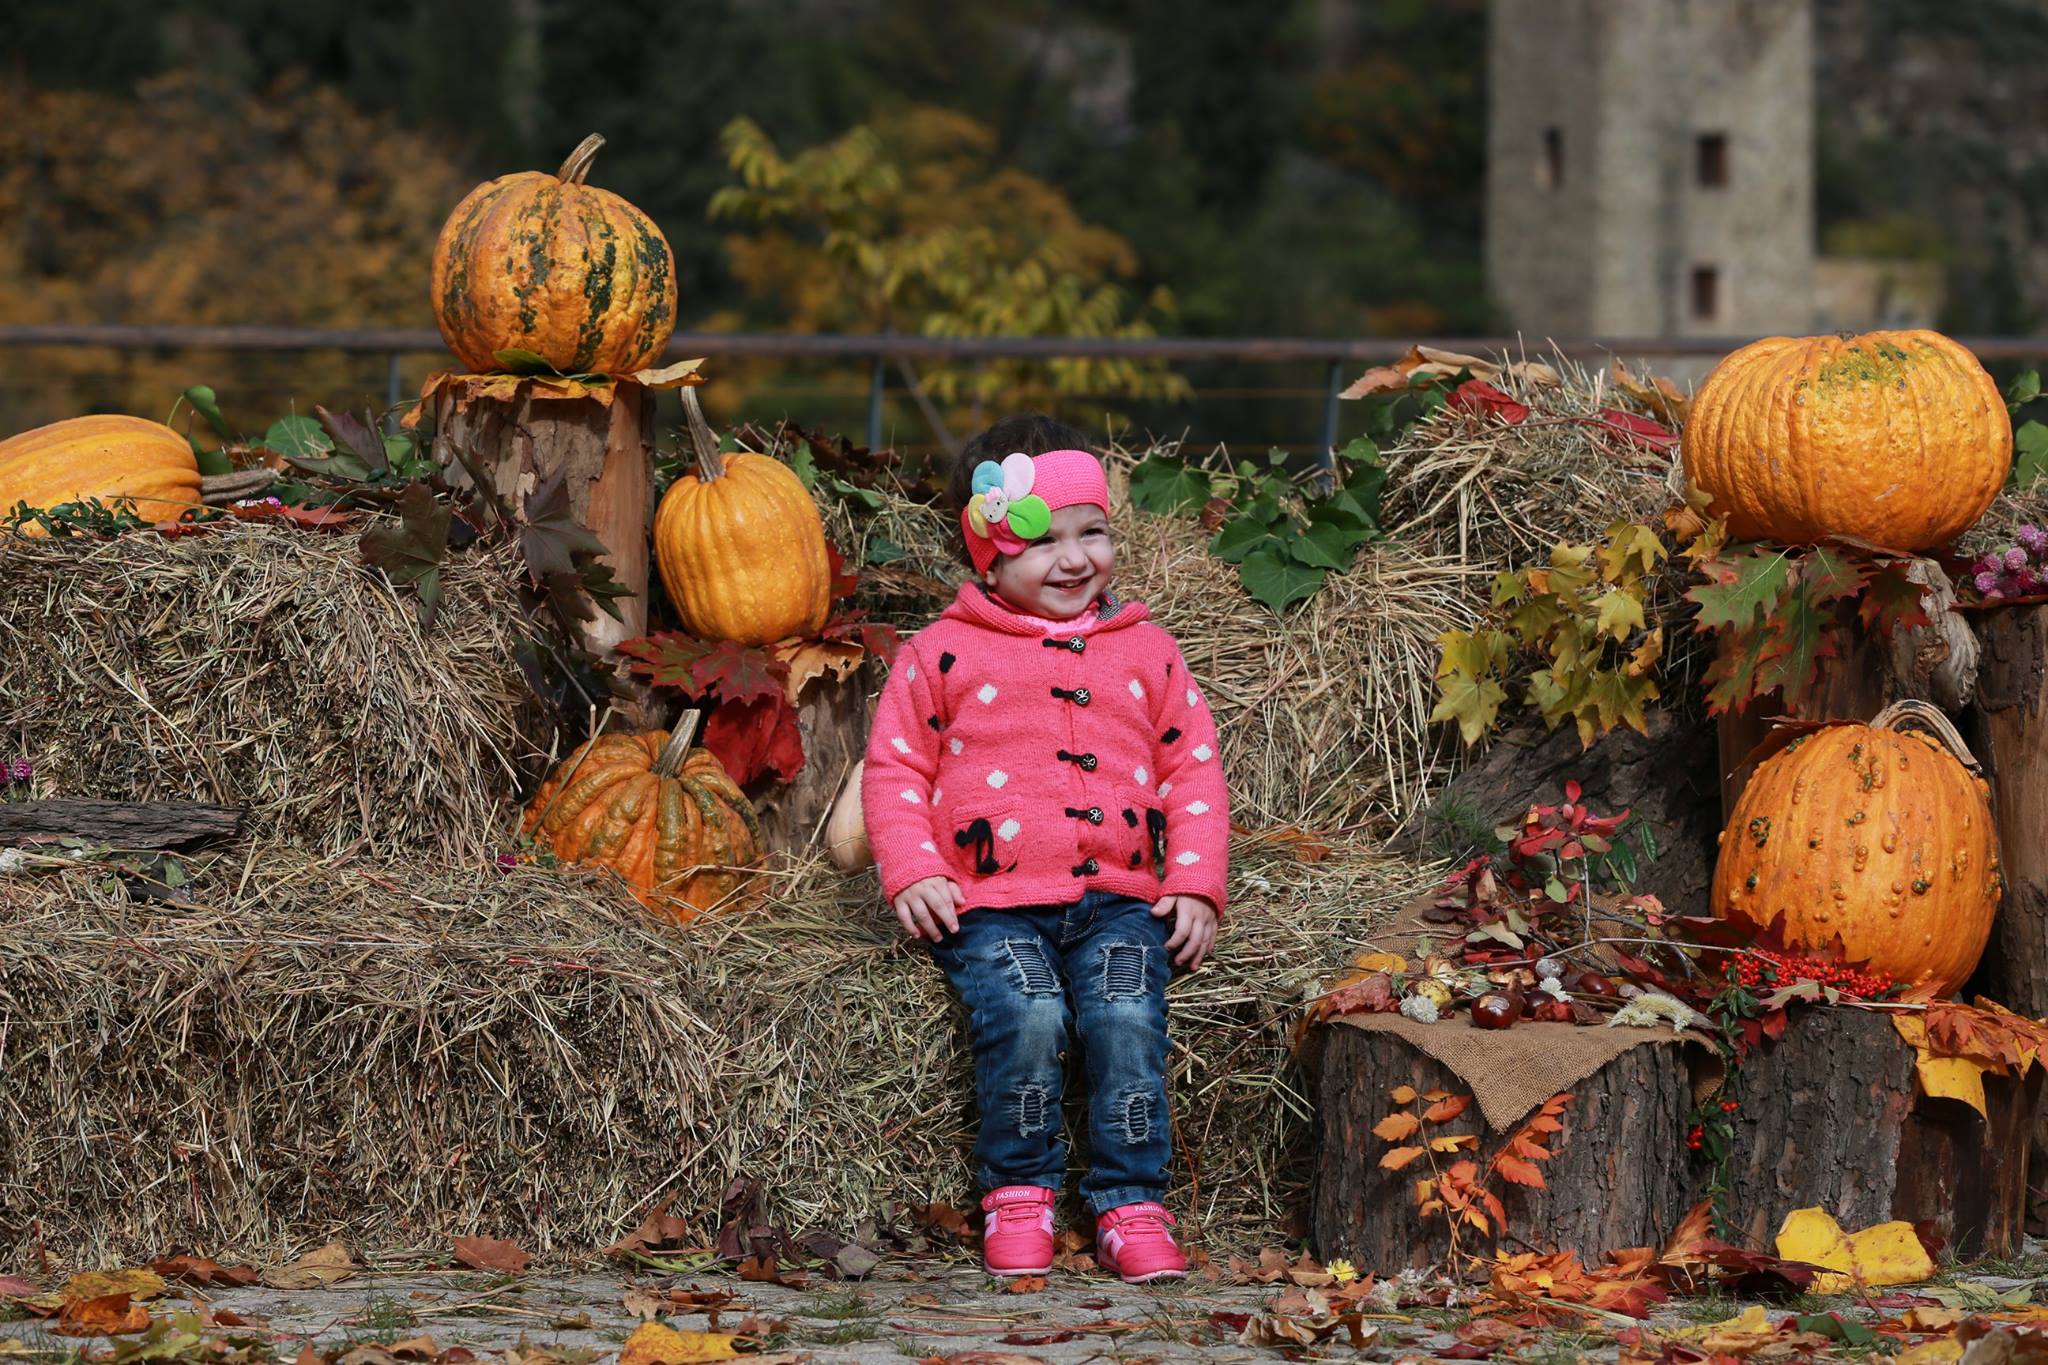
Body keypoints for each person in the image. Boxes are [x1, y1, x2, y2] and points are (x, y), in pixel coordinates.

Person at [861, 415, 1228, 1284]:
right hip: (991, 908)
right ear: (987, 554)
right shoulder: (939, 652)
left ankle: (1131, 1201)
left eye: (1091, 532)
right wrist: (913, 867)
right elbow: (894, 768)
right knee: (1028, 1018)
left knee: (1125, 1017)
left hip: (1119, 902)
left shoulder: (1148, 652)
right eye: (1043, 541)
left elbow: (1195, 771)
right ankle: (1017, 1191)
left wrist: (1197, 880)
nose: (1073, 559)